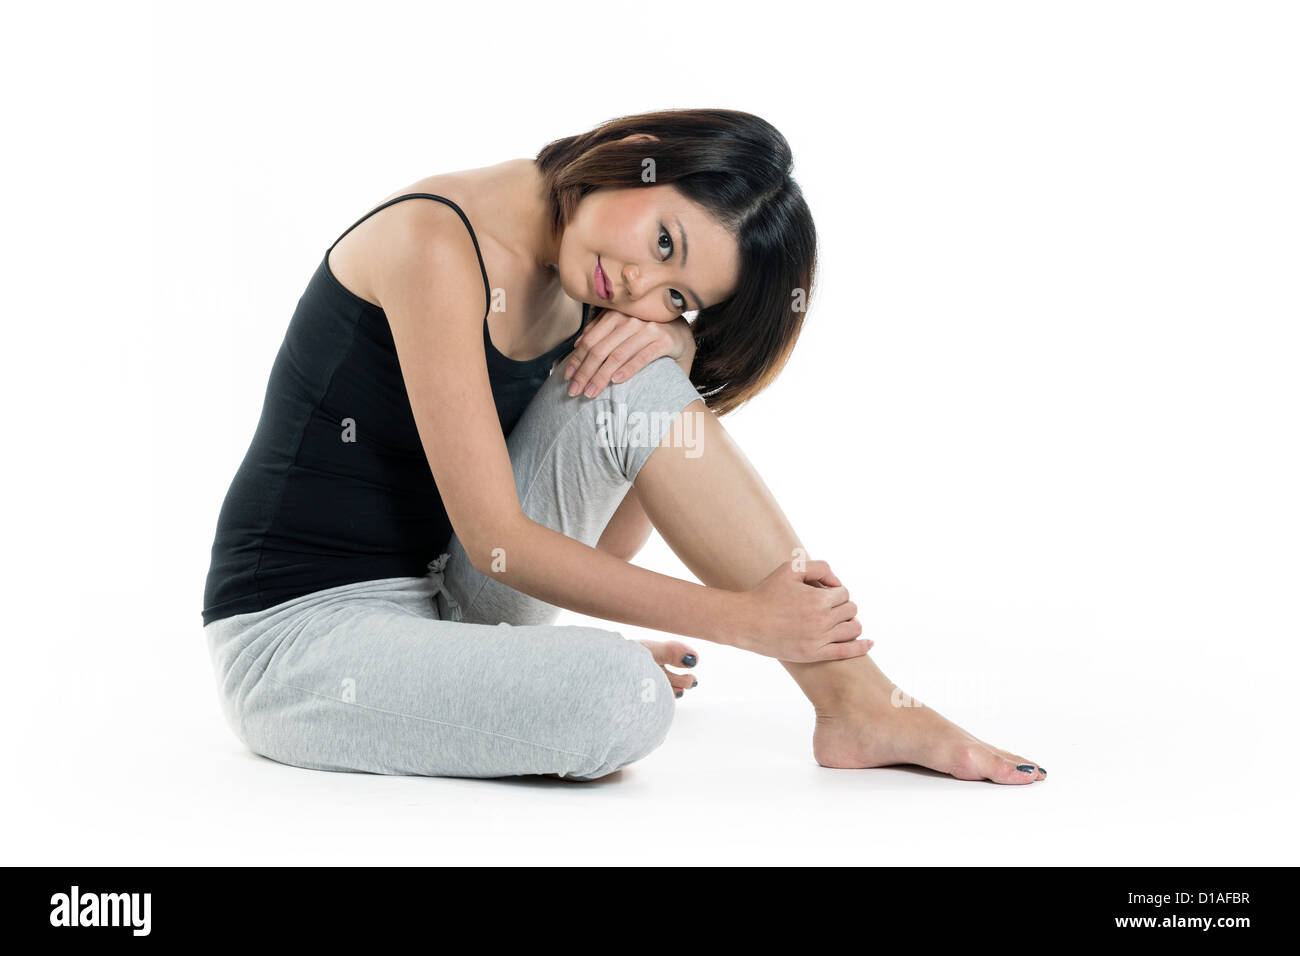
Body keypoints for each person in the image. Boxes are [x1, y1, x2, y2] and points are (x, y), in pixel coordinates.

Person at [202, 107, 1045, 784]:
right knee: (622, 701)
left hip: (452, 595)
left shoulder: (590, 281)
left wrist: (672, 356)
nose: (641, 283)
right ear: (639, 150)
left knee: (637, 377)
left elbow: (602, 540)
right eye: (665, 242)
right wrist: (741, 622)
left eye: (677, 291)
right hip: (301, 640)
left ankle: (858, 701)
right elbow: (502, 543)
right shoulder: (436, 244)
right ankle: (528, 672)